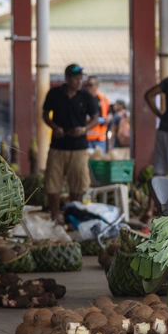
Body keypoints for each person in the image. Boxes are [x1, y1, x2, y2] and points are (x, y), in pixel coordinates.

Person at [41, 64, 98, 222]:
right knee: (53, 182)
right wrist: (54, 127)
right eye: (76, 78)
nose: (79, 81)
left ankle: (73, 215)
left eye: (81, 78)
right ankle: (54, 215)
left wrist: (84, 129)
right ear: (67, 78)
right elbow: (45, 115)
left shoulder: (86, 96)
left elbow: (95, 118)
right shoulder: (54, 94)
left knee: (78, 183)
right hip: (57, 146)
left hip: (79, 147)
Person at [83, 75, 111, 153]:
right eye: (87, 85)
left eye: (91, 85)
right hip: (87, 137)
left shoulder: (103, 99)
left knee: (100, 161)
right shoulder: (82, 99)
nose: (88, 88)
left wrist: (108, 118)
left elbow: (110, 113)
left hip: (101, 138)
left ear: (97, 86)